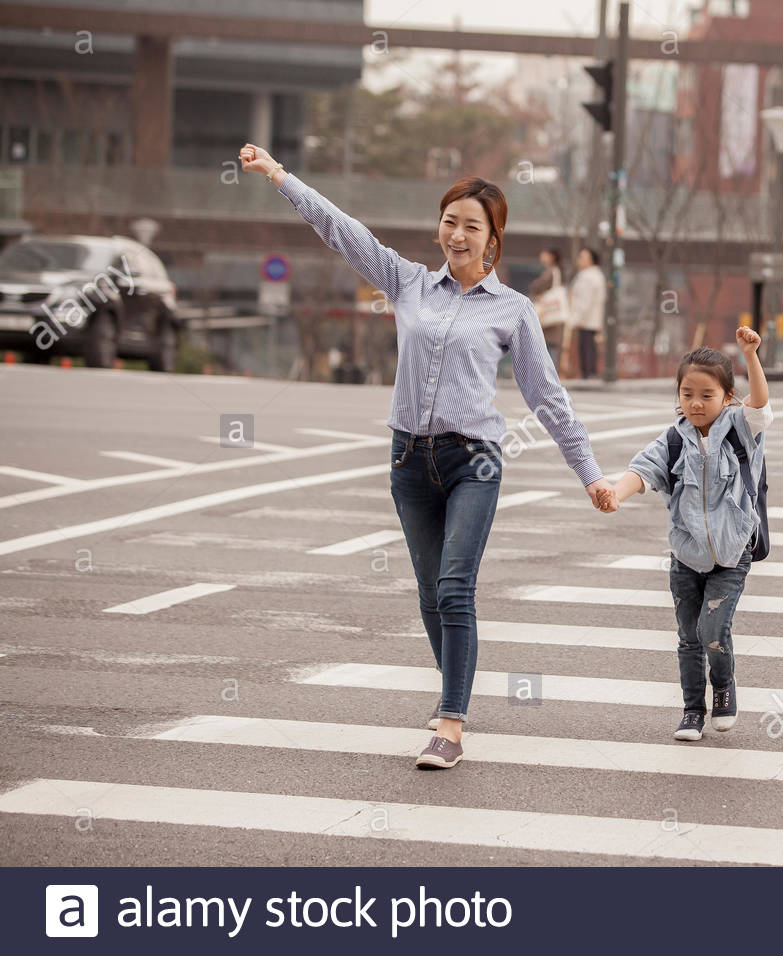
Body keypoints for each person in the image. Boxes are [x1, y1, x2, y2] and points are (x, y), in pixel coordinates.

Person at [238, 142, 616, 770]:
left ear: (493, 240)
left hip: (476, 462)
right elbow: (342, 231)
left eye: (473, 226)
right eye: (450, 221)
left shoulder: (513, 310)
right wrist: (279, 175)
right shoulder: (406, 282)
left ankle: (451, 725)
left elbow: (545, 395)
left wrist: (590, 473)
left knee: (455, 587)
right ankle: (455, 689)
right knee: (427, 592)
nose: (458, 234)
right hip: (409, 460)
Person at [596, 326, 772, 741]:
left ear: (727, 397)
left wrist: (750, 356)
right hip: (685, 555)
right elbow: (642, 471)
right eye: (687, 393)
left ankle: (723, 687)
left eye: (707, 395)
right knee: (688, 637)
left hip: (732, 553)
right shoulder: (674, 439)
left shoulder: (742, 429)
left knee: (712, 630)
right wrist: (616, 494)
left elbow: (761, 404)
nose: (695, 403)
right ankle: (692, 710)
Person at [568, 246, 605, 379]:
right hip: (591, 319)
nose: (579, 260)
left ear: (591, 260)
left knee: (586, 348)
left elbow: (585, 301)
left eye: (582, 257)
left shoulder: (588, 277)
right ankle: (590, 374)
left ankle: (588, 375)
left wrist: (576, 319)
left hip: (586, 320)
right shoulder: (595, 275)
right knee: (588, 347)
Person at [528, 247, 568, 370]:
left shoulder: (551, 272)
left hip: (549, 316)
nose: (541, 256)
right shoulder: (557, 271)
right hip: (554, 315)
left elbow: (536, 286)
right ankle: (552, 373)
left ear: (551, 257)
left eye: (544, 254)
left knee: (548, 346)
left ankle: (549, 374)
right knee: (552, 347)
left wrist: (537, 292)